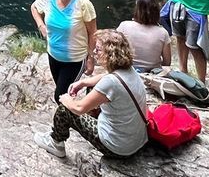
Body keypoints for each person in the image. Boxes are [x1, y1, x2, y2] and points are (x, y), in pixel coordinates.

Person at [33, 30, 149, 159]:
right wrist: (83, 83)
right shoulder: (128, 69)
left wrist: (65, 99)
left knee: (65, 109)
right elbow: (107, 77)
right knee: (92, 87)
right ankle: (91, 118)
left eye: (98, 50)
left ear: (110, 55)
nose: (94, 52)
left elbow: (79, 108)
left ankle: (55, 143)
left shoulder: (110, 83)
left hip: (117, 147)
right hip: (136, 141)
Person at [31, 0, 98, 102]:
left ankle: (67, 120)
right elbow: (34, 7)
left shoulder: (82, 3)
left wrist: (91, 58)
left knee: (60, 96)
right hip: (53, 54)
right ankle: (69, 117)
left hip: (74, 59)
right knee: (64, 93)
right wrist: (41, 25)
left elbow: (93, 32)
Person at [117, 0, 171, 73]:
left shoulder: (124, 26)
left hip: (127, 70)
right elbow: (167, 62)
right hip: (152, 73)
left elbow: (115, 52)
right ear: (156, 10)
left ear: (136, 9)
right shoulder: (163, 33)